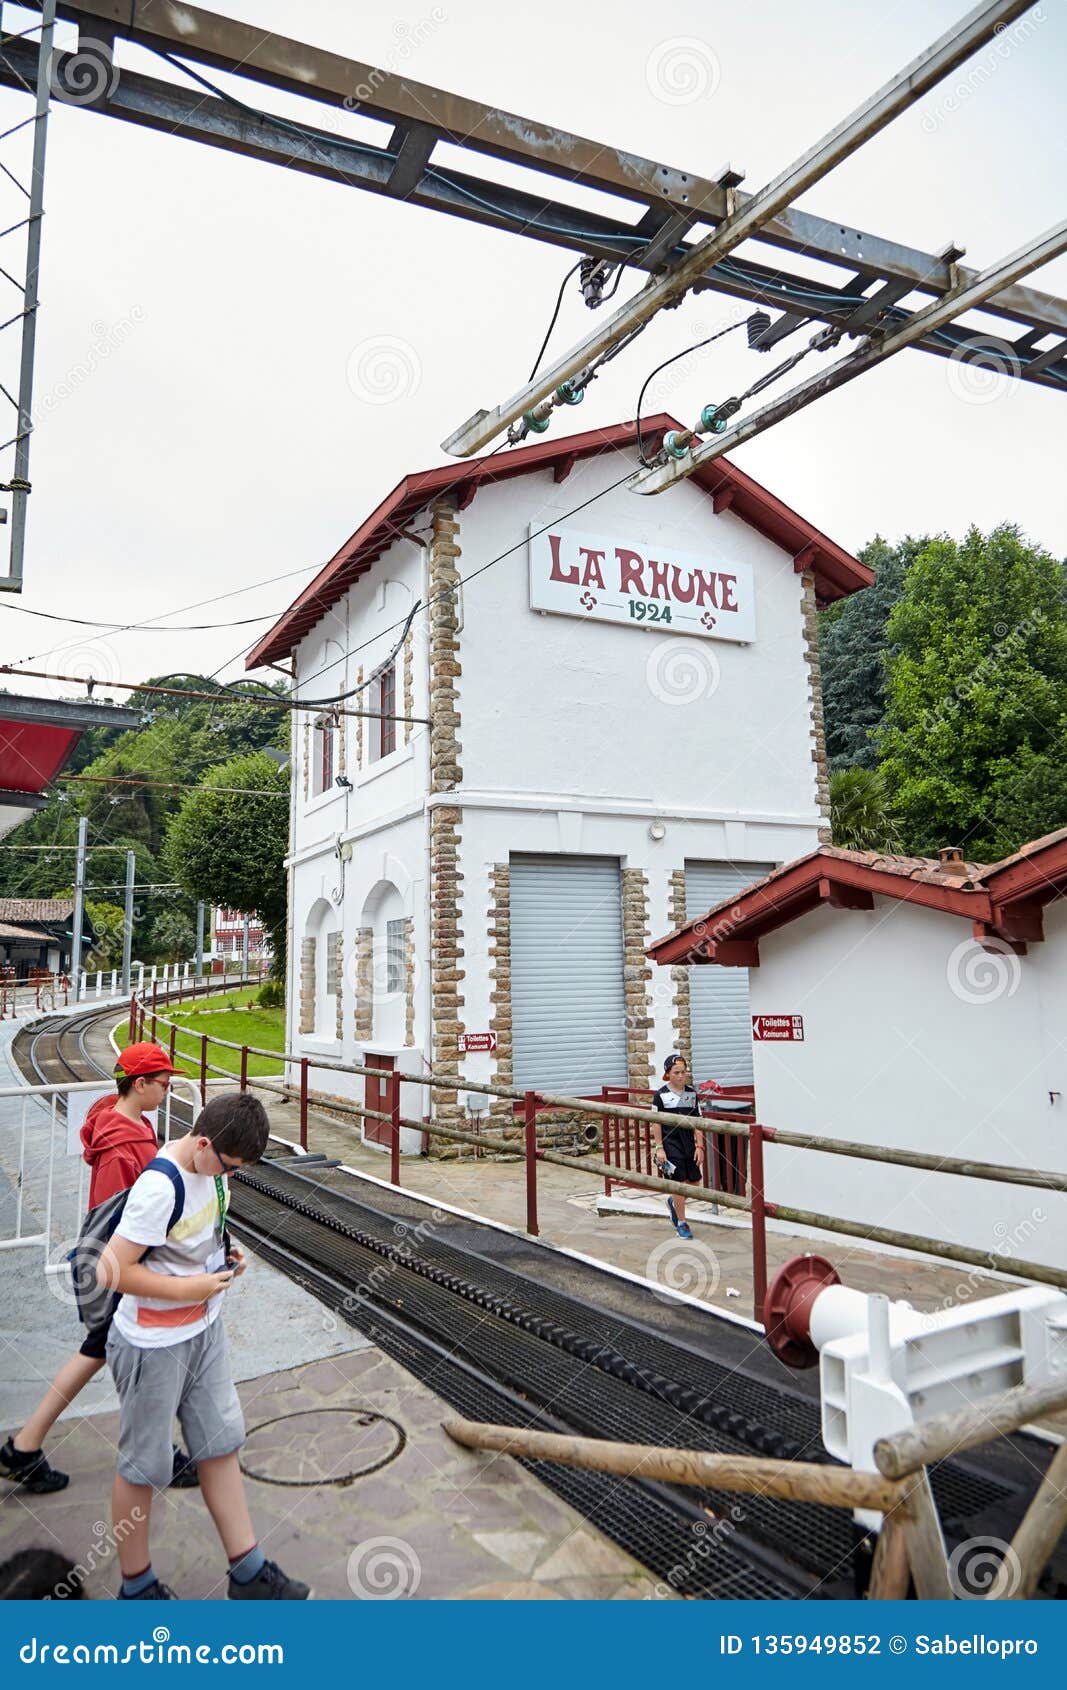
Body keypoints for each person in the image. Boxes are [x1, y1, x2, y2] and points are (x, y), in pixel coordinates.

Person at [98, 1090, 309, 1601]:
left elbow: (196, 1233)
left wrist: (225, 1253)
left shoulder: (214, 1173)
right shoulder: (159, 1185)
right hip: (152, 1341)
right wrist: (187, 1289)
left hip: (202, 1330)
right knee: (143, 1466)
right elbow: (109, 1270)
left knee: (219, 1444)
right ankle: (137, 1586)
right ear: (203, 1141)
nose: (231, 1175)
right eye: (230, 1165)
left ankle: (248, 1570)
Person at [0, 1043, 198, 1497]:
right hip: (120, 1268)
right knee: (131, 1354)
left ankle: (25, 1448)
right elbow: (110, 1219)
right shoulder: (121, 1144)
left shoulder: (134, 1125)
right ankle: (153, 1455)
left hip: (126, 1266)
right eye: (164, 1083)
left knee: (104, 1352)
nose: (169, 1089)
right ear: (140, 1083)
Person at [651, 1053, 706, 1241]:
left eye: (683, 1072)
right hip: (670, 1143)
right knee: (680, 1184)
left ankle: (673, 1202)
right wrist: (659, 1148)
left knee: (695, 1183)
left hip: (688, 1143)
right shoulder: (660, 1095)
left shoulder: (691, 1094)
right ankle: (681, 1222)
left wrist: (700, 1146)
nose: (681, 1076)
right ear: (668, 1074)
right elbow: (656, 1123)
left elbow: (697, 1121)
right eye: (676, 1072)